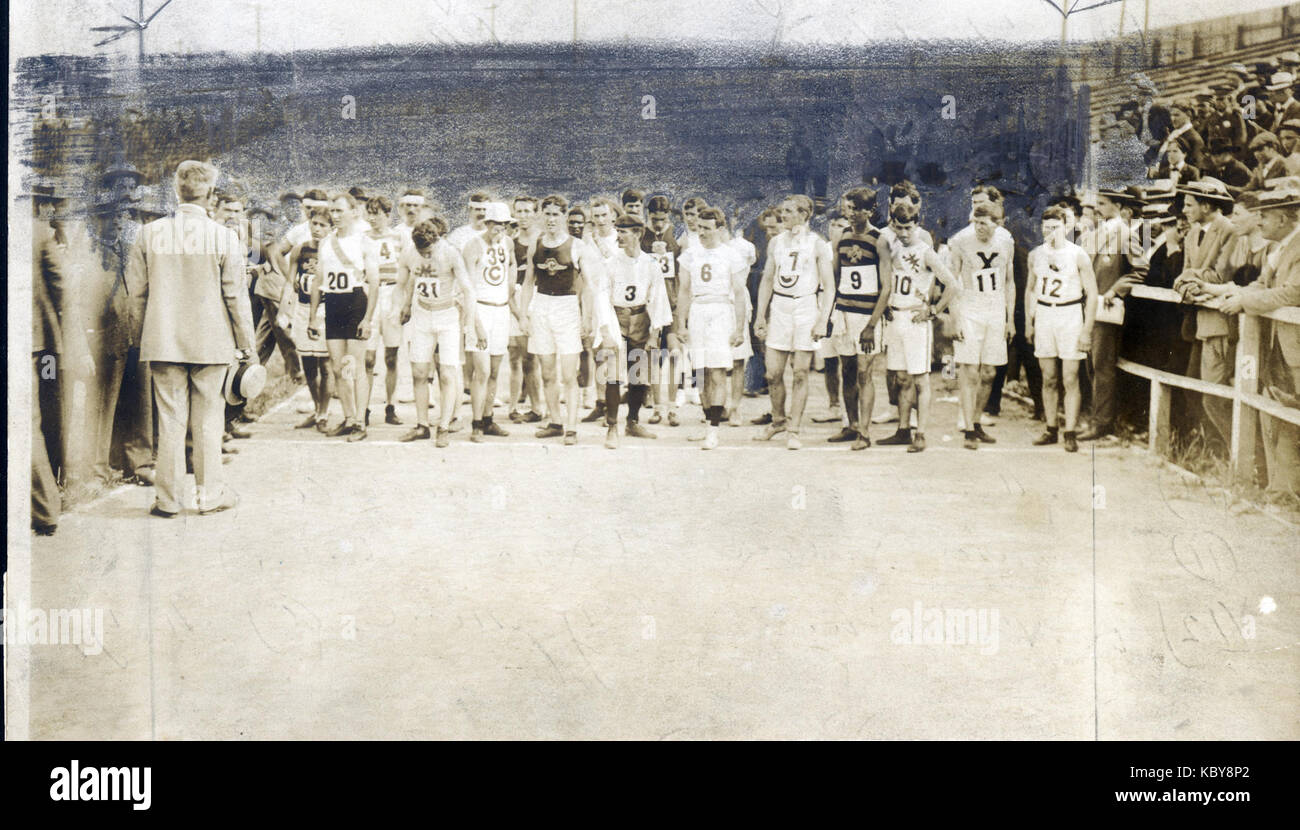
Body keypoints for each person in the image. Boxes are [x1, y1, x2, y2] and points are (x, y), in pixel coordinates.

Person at [124, 160, 257, 516]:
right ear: (211, 195)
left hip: (163, 341)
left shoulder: (149, 233)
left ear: (176, 191)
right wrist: (247, 345)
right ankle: (209, 495)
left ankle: (167, 501)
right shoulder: (223, 236)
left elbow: (135, 294)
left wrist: (141, 337)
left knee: (169, 421)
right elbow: (235, 297)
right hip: (212, 342)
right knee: (208, 420)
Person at [1199, 184, 1300, 497]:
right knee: (1279, 415)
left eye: (1266, 217)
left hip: (1294, 347)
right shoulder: (1278, 248)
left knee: (1290, 417)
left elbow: (1293, 293)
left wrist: (1244, 302)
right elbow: (1261, 284)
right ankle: (1281, 492)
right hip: (1278, 347)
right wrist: (1238, 293)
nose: (1260, 223)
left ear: (1283, 219)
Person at [752, 194, 835, 450]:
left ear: (804, 214)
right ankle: (778, 420)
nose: (782, 216)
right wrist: (760, 316)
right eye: (782, 211)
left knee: (800, 372)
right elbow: (767, 280)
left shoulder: (818, 244)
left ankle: (794, 428)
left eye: (788, 211)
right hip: (781, 307)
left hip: (806, 307)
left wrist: (822, 320)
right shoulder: (776, 242)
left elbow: (829, 287)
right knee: (773, 372)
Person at [519, 195, 601, 445]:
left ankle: (572, 427)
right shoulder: (536, 244)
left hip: (567, 307)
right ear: (541, 216)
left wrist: (587, 317)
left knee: (568, 374)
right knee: (546, 372)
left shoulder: (577, 246)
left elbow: (589, 286)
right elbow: (527, 283)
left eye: (556, 214)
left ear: (565, 217)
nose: (551, 219)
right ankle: (555, 421)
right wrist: (524, 314)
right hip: (542, 305)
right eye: (547, 214)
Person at [877, 199, 958, 453]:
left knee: (920, 379)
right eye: (898, 228)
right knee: (900, 378)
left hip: (915, 320)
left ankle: (920, 433)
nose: (903, 233)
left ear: (917, 225)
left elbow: (952, 284)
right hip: (896, 317)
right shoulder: (893, 248)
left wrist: (933, 310)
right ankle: (903, 429)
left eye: (908, 228)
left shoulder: (926, 251)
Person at [397, 217, 478, 447]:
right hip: (422, 315)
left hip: (447, 316)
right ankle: (422, 425)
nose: (425, 255)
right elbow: (409, 279)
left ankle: (444, 425)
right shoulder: (411, 252)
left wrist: (469, 323)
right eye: (421, 251)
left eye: (429, 251)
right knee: (419, 372)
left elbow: (468, 290)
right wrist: (404, 306)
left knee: (447, 373)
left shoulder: (450, 253)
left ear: (438, 241)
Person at [308, 191, 380, 441]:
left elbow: (375, 282)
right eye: (333, 211)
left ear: (353, 212)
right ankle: (349, 418)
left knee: (355, 366)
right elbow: (319, 280)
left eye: (340, 211)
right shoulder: (326, 242)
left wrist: (368, 318)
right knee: (337, 367)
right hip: (334, 304)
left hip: (356, 302)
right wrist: (312, 316)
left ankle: (361, 421)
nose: (335, 215)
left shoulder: (364, 242)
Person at [674, 207, 749, 450]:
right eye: (699, 228)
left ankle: (714, 430)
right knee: (701, 371)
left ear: (719, 229)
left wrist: (739, 328)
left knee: (717, 372)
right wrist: (681, 324)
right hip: (698, 309)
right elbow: (683, 291)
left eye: (707, 228)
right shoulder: (690, 255)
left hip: (720, 311)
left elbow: (739, 293)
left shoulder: (731, 255)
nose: (702, 232)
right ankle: (707, 422)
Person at [825, 187, 893, 450]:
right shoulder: (840, 236)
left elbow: (886, 287)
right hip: (844, 313)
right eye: (848, 208)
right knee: (848, 371)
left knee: (865, 373)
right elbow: (835, 276)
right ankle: (851, 425)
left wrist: (872, 325)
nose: (851, 214)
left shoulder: (880, 240)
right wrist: (830, 314)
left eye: (856, 209)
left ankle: (865, 432)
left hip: (867, 317)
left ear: (870, 211)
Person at [1171, 178, 1237, 449]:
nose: (1184, 210)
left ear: (1207, 205)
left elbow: (1221, 275)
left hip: (1222, 324)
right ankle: (1212, 449)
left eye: (1189, 205)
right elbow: (1183, 277)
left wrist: (1189, 279)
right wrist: (1189, 280)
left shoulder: (1229, 230)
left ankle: (1231, 452)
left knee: (1214, 394)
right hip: (1198, 323)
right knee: (1195, 388)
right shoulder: (1191, 234)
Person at [1027, 206, 1098, 454]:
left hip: (1070, 314)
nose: (1050, 232)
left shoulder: (1078, 254)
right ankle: (1050, 428)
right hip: (1045, 314)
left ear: (1066, 227)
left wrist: (1087, 330)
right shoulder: (1036, 254)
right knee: (1048, 377)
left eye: (1055, 227)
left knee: (1070, 377)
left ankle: (1070, 431)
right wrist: (1029, 321)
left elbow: (1093, 294)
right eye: (1046, 227)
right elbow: (1030, 289)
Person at [949, 201, 1015, 450]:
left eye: (985, 224)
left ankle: (977, 422)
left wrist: (1009, 318)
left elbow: (1009, 281)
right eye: (976, 222)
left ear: (997, 224)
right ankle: (967, 428)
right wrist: (955, 316)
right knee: (970, 371)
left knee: (989, 372)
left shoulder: (1006, 240)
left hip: (995, 308)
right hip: (970, 307)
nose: (979, 228)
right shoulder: (961, 240)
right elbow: (953, 281)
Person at [606, 213, 672, 444]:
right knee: (613, 374)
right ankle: (611, 427)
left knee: (638, 374)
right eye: (618, 232)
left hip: (640, 318)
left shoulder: (650, 264)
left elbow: (658, 299)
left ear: (637, 233)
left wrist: (655, 333)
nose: (619, 237)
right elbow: (602, 297)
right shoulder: (611, 263)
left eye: (624, 232)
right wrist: (605, 329)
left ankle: (632, 422)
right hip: (617, 317)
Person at [461, 202, 516, 442]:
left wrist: (510, 288)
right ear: (488, 223)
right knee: (481, 371)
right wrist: (476, 323)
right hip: (480, 309)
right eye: (497, 224)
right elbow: (467, 290)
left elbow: (512, 264)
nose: (501, 229)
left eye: (505, 225)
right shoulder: (473, 246)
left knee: (494, 370)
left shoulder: (508, 243)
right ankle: (475, 424)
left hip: (501, 310)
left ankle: (488, 417)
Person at [32, 193, 68, 534]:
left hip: (39, 350)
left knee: (35, 420)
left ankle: (46, 506)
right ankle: (46, 507)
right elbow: (61, 286)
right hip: (40, 347)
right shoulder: (40, 232)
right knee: (35, 420)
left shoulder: (41, 231)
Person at [281, 207, 334, 430]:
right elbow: (289, 282)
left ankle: (324, 412)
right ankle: (316, 408)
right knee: (309, 365)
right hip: (303, 309)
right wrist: (284, 310)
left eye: (323, 225)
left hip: (325, 310)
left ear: (331, 228)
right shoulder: (300, 250)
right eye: (314, 224)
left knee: (326, 364)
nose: (318, 229)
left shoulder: (334, 251)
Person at [362, 195, 404, 427]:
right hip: (370, 295)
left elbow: (406, 270)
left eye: (377, 213)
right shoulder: (362, 239)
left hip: (391, 295)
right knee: (368, 357)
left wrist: (402, 302)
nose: (372, 217)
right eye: (369, 212)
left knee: (391, 356)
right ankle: (364, 408)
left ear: (387, 215)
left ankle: (390, 405)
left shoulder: (399, 238)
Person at [642, 195, 684, 426]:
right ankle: (658, 407)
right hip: (652, 306)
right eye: (654, 219)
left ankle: (672, 407)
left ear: (669, 216)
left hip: (673, 303)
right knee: (654, 357)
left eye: (662, 219)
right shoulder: (642, 237)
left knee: (674, 355)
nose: (658, 224)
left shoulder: (678, 237)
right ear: (649, 216)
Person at [507, 195, 546, 424]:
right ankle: (513, 406)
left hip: (538, 299)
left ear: (535, 213)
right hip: (515, 299)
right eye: (519, 211)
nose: (523, 216)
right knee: (515, 357)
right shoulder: (510, 242)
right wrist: (515, 309)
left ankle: (538, 406)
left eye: (527, 211)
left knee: (535, 358)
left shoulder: (543, 241)